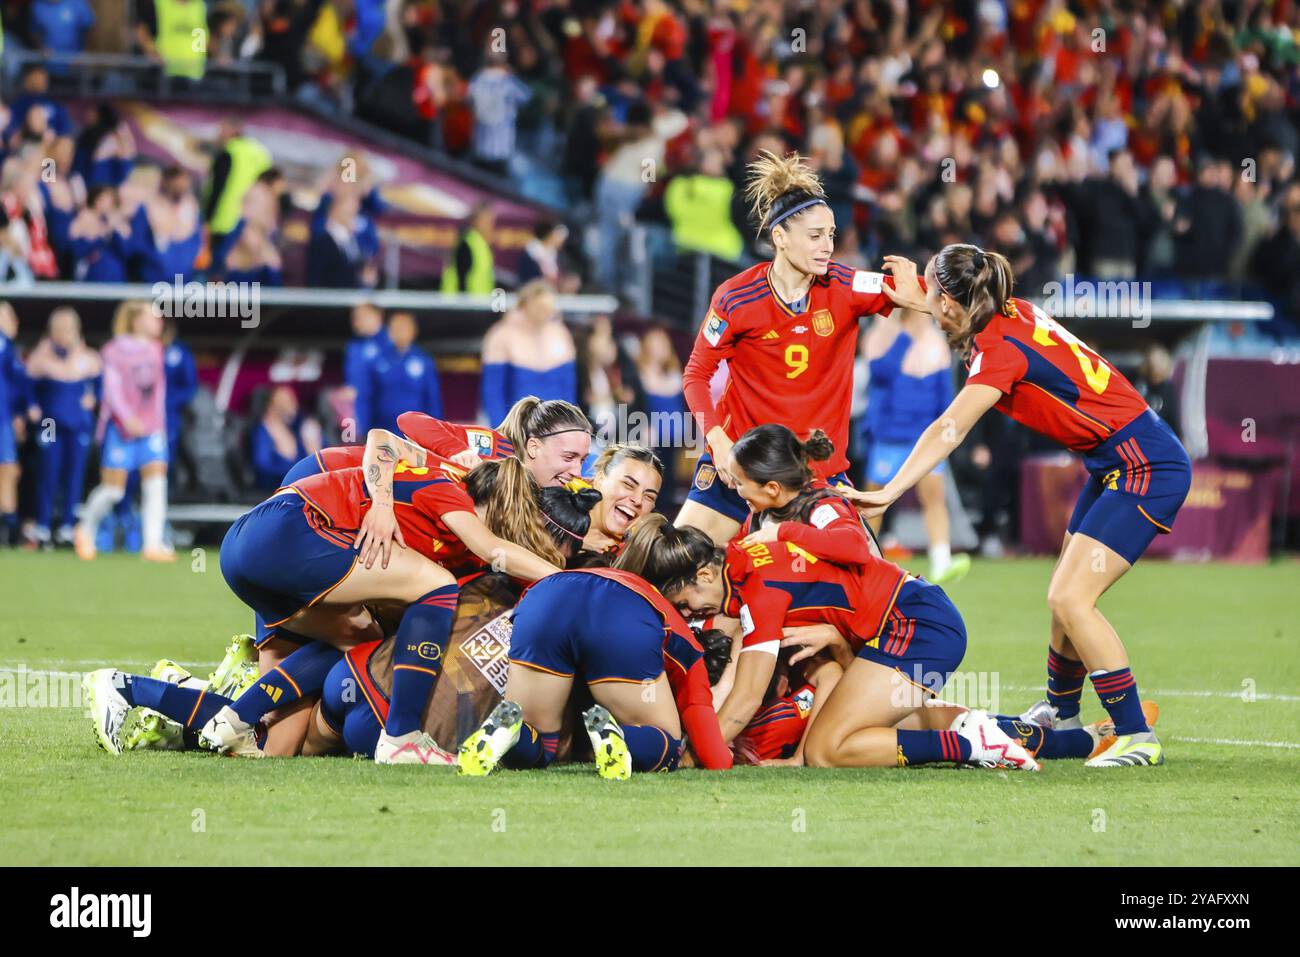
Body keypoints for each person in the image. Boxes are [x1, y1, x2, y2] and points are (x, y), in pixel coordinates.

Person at [842, 245, 1191, 768]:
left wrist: (891, 490)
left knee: (1072, 599)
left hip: (1145, 465)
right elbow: (957, 316)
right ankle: (1062, 712)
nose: (932, 308)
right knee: (1062, 597)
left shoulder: (999, 350)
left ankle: (1136, 735)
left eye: (936, 299)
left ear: (955, 305)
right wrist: (919, 296)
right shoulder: (1008, 309)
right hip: (1117, 458)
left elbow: (949, 428)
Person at [205, 430, 577, 765]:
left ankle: (234, 718)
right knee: (438, 585)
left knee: (362, 641)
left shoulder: (452, 525)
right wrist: (569, 583)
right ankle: (401, 737)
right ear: (505, 505)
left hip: (247, 558)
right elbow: (382, 436)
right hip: (287, 529)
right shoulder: (451, 485)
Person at [677, 150, 910, 546]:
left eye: (832, 235)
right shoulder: (736, 298)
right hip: (743, 465)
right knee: (674, 566)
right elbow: (696, 374)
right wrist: (717, 440)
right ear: (780, 238)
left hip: (815, 473)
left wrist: (927, 289)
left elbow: (911, 294)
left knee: (866, 580)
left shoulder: (845, 284)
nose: (828, 246)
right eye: (816, 236)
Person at [456, 565, 734, 778]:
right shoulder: (691, 650)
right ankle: (622, 741)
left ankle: (510, 734)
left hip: (545, 595)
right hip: (620, 612)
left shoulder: (656, 602)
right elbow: (716, 757)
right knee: (668, 746)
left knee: (541, 742)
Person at [861, 308, 968, 583]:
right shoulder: (881, 334)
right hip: (888, 435)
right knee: (874, 499)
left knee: (934, 497)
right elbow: (881, 372)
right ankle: (865, 560)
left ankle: (941, 560)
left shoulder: (935, 342)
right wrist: (906, 336)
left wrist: (947, 432)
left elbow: (944, 392)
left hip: (923, 436)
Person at [75, 301, 173, 563]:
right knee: (113, 490)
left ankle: (152, 544)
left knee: (155, 484)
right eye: (153, 317)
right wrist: (127, 418)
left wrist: (159, 425)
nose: (159, 322)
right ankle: (84, 530)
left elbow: (159, 391)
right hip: (120, 429)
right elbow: (112, 390)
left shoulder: (155, 350)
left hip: (150, 429)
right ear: (136, 320)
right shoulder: (113, 350)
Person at [25, 307, 100, 546]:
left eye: (68, 330)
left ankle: (68, 525)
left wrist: (93, 398)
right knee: (48, 471)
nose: (64, 335)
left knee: (74, 473)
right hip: (50, 422)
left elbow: (99, 386)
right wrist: (31, 406)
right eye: (59, 329)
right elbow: (28, 387)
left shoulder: (88, 358)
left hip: (77, 422)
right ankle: (44, 525)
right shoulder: (41, 357)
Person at [479, 280, 577, 426]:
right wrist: (501, 431)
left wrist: (569, 426)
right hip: (518, 424)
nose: (545, 314)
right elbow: (493, 393)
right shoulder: (501, 335)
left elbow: (568, 390)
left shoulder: (560, 334)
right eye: (540, 308)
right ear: (526, 305)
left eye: (548, 309)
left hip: (554, 426)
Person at [579, 443, 663, 557]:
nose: (638, 500)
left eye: (649, 497)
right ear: (599, 479)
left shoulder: (643, 562)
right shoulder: (550, 520)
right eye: (628, 485)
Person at [368, 311, 442, 434]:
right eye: (395, 327)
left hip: (416, 433)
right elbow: (370, 397)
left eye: (403, 327)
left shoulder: (424, 360)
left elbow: (433, 399)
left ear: (413, 330)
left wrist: (436, 433)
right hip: (385, 431)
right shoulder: (378, 360)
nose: (399, 331)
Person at [249, 385, 320, 491]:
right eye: (286, 400)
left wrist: (312, 443)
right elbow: (263, 467)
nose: (293, 404)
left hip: (297, 488)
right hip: (273, 492)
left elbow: (310, 461)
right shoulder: (261, 432)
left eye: (292, 400)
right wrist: (296, 475)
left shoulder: (295, 429)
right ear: (271, 405)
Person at [341, 302, 391, 438]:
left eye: (361, 317)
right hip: (358, 417)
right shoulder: (354, 347)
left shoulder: (390, 344)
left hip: (384, 417)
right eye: (354, 319)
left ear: (377, 316)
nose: (356, 323)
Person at [0, 302, 27, 546]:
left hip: (4, 417)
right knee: (7, 471)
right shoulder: (3, 343)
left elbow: (19, 381)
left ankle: (9, 527)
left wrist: (20, 413)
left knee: (9, 470)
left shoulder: (8, 348)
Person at [440, 201, 496, 294]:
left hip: (479, 302)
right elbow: (462, 276)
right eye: (487, 220)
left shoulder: (480, 243)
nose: (490, 224)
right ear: (476, 221)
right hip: (466, 303)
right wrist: (464, 304)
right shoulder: (466, 243)